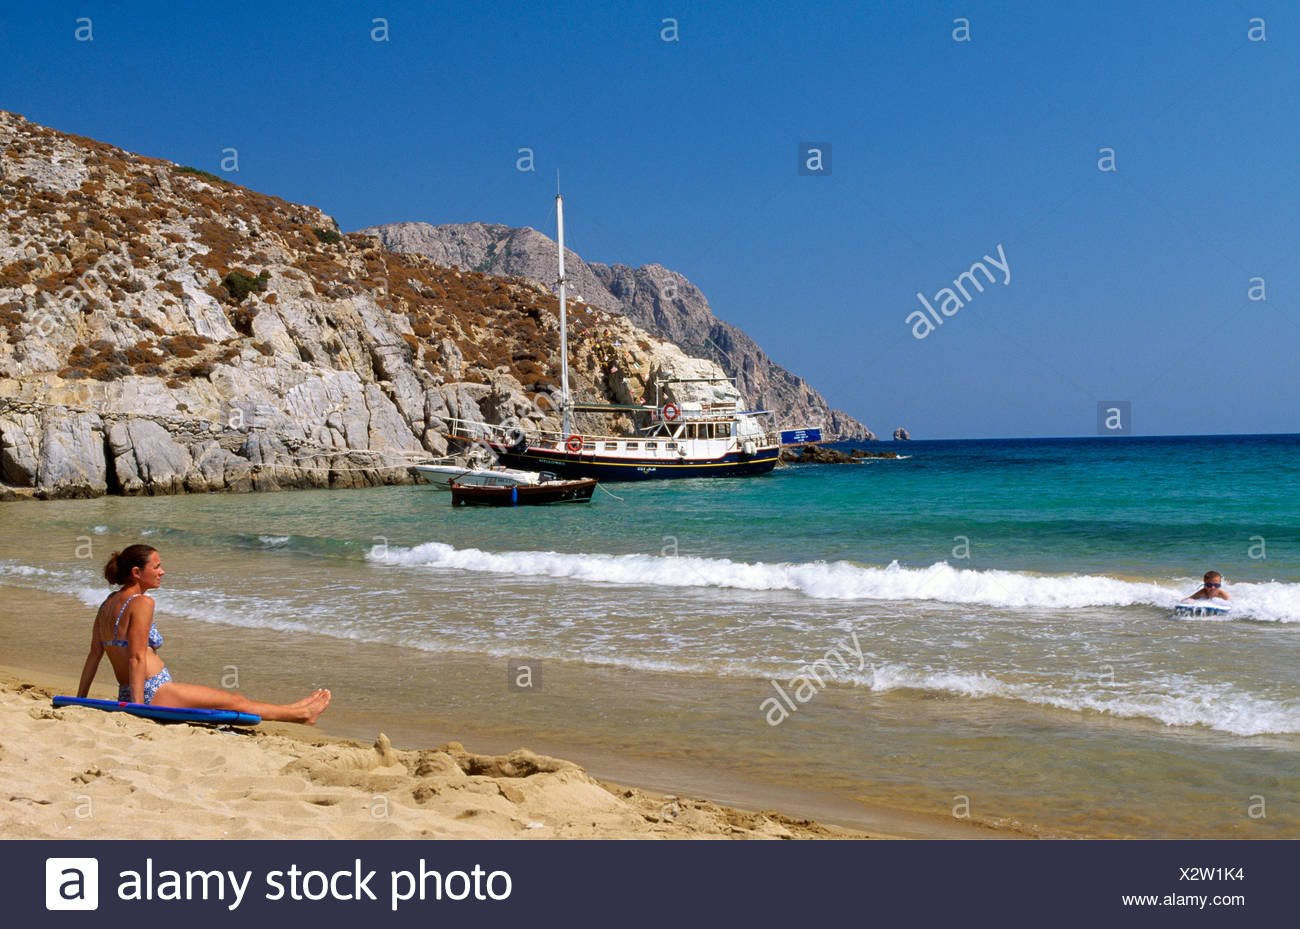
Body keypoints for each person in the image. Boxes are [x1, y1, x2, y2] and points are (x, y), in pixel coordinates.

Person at [75, 544, 331, 724]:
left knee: (231, 701)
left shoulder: (108, 604)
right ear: (136, 572)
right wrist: (140, 708)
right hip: (154, 690)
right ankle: (301, 715)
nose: (162, 572)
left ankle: (296, 708)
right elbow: (136, 658)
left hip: (128, 692)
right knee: (234, 701)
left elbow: (94, 655)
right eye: (157, 566)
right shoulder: (143, 603)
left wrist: (79, 699)